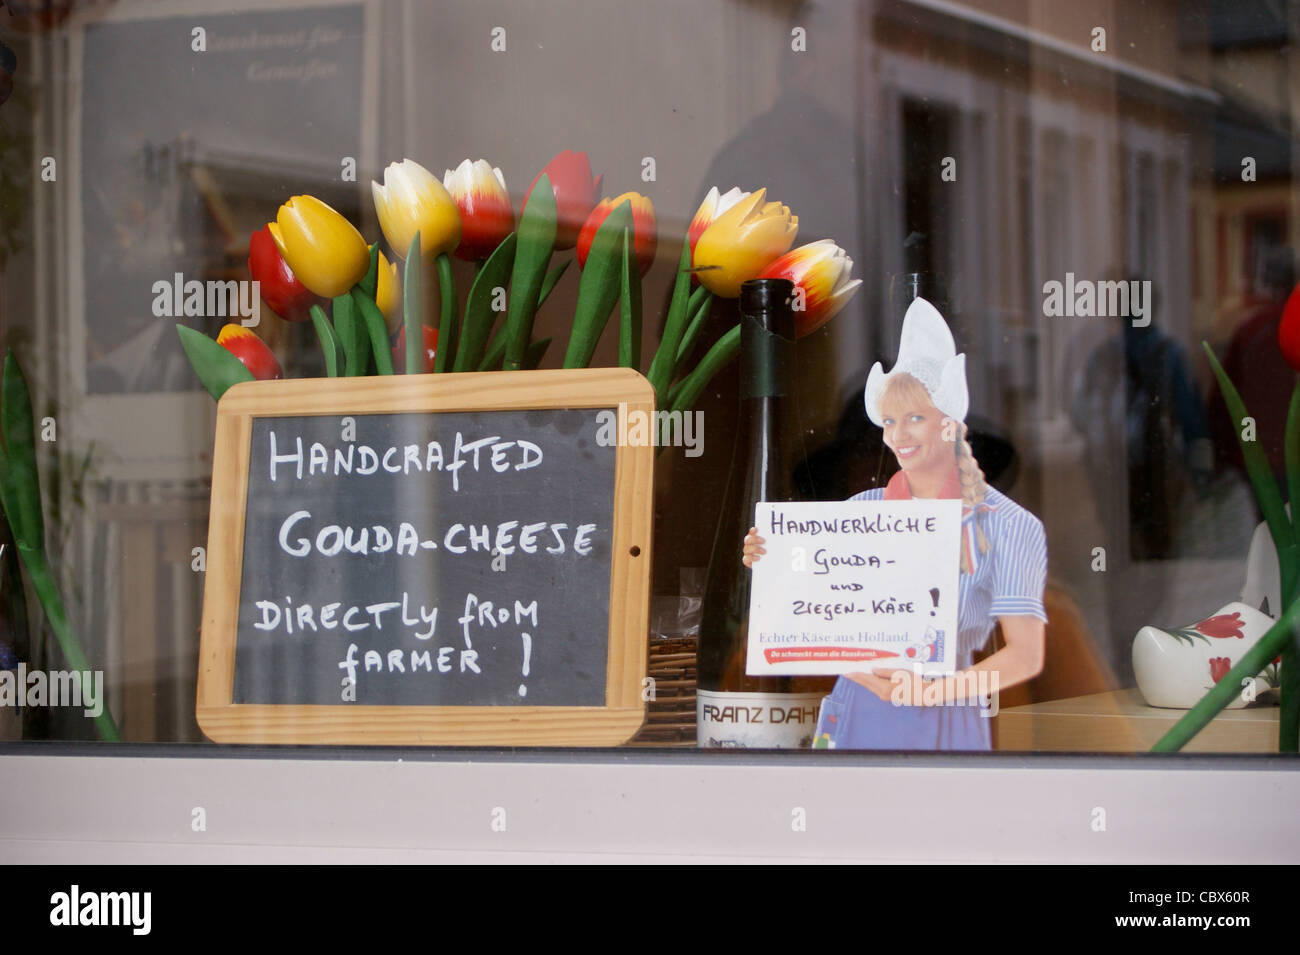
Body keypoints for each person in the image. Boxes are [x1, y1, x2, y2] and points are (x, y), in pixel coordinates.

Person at [741, 298, 1047, 750]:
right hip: (858, 710)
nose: (898, 436)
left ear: (951, 424)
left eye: (916, 418)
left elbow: (1026, 655)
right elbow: (811, 621)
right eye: (889, 421)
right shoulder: (860, 512)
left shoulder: (1009, 526)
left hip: (947, 716)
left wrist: (930, 690)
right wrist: (769, 560)